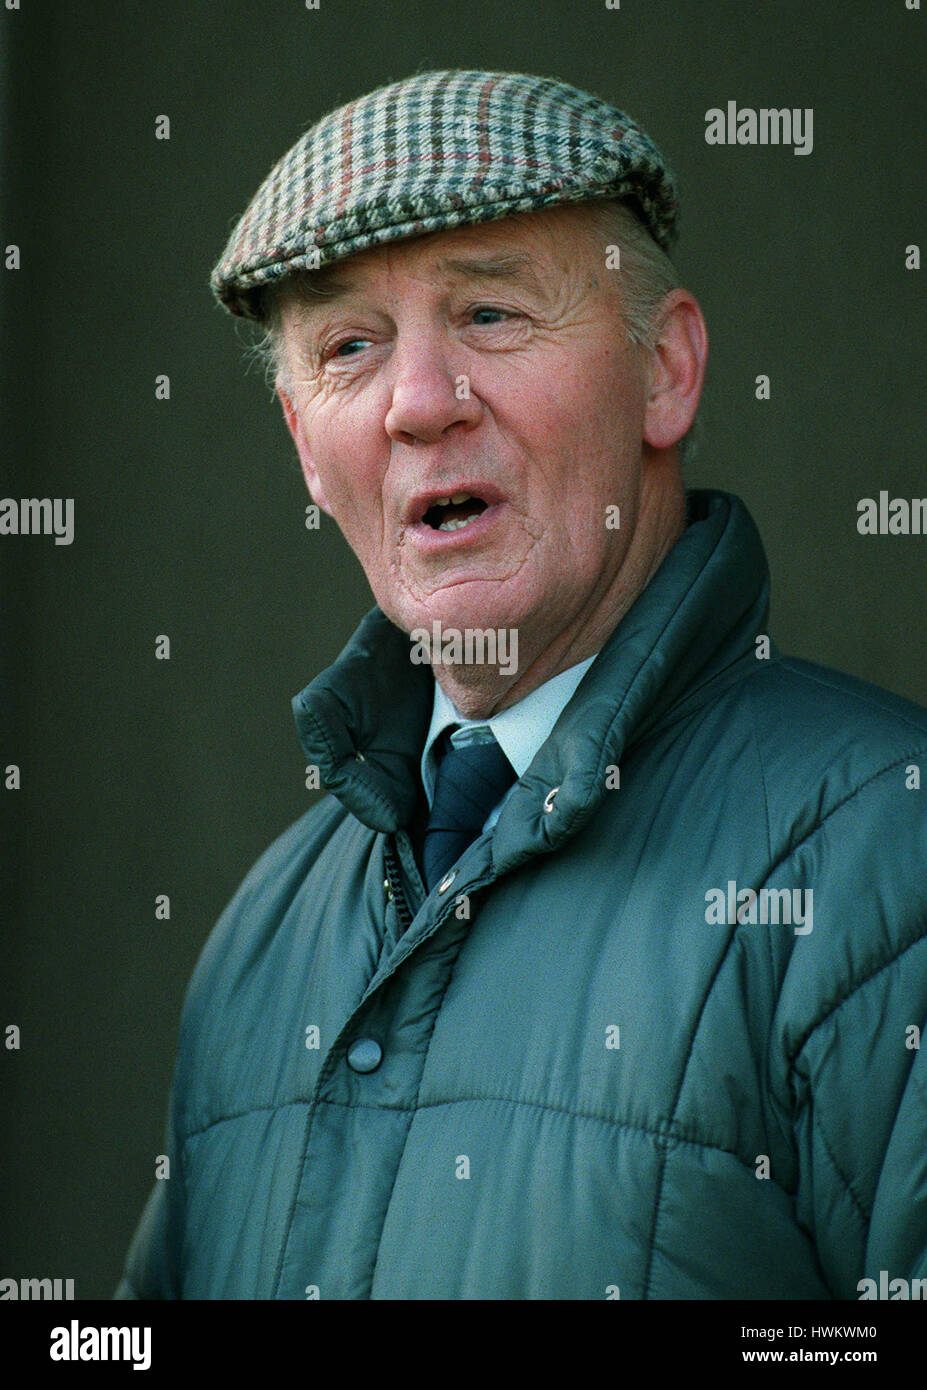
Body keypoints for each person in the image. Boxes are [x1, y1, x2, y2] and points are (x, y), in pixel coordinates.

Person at [115, 68, 927, 1301]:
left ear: (666, 370)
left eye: (491, 312)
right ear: (305, 449)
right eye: (349, 347)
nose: (418, 404)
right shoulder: (257, 944)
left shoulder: (888, 860)